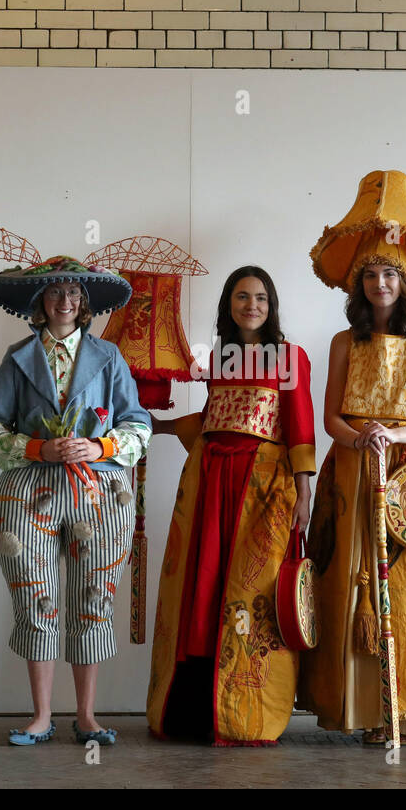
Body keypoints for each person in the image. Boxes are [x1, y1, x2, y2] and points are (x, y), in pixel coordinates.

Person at [297, 252, 406, 744]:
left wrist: (393, 437)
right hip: (354, 467)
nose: (380, 283)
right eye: (371, 275)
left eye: (390, 273)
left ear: (405, 282)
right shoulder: (342, 342)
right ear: (359, 285)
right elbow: (330, 416)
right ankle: (365, 710)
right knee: (352, 586)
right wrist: (360, 438)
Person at [0, 255, 151, 746]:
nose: (65, 302)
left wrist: (100, 447)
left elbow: (138, 425)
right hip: (28, 494)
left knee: (93, 596)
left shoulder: (109, 357)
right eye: (55, 293)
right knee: (35, 594)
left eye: (74, 294)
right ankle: (41, 715)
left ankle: (88, 715)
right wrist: (36, 448)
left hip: (100, 494)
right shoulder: (16, 358)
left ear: (86, 303)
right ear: (39, 302)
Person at [145, 265, 316, 745]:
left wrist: (304, 492)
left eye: (261, 297)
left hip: (261, 485)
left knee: (250, 591)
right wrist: (157, 427)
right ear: (228, 304)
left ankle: (244, 713)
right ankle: (191, 709)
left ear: (272, 305)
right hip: (209, 479)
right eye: (242, 297)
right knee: (200, 589)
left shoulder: (290, 357)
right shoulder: (219, 359)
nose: (252, 306)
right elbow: (211, 418)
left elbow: (300, 426)